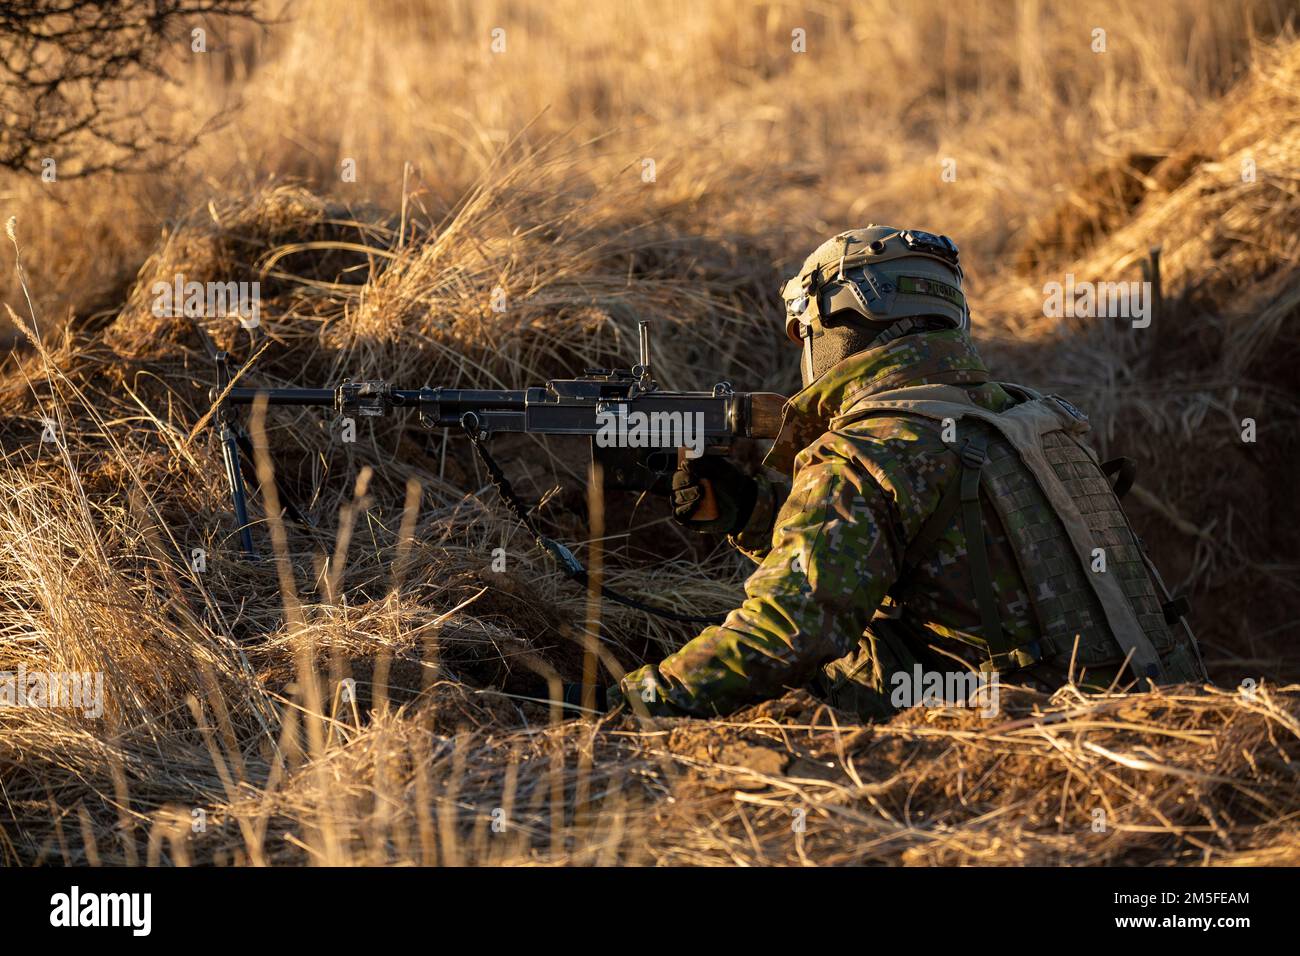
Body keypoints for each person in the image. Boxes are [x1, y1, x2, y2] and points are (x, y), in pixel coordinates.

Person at [611, 225, 1206, 718]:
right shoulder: (1030, 416)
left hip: (1031, 735)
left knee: (846, 658)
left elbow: (784, 634)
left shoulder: (867, 449)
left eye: (804, 332)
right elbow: (936, 550)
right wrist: (749, 510)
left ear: (836, 324)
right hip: (1162, 710)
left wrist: (626, 701)